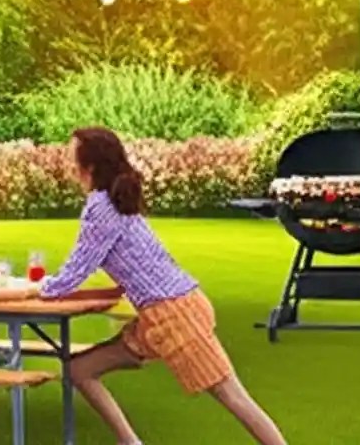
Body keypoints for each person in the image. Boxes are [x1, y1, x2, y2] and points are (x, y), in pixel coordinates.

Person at [16, 127, 286, 445]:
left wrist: (32, 289)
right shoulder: (112, 200)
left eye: (70, 151)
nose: (64, 156)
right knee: (79, 370)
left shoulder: (101, 208)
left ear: (88, 164)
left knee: (233, 396)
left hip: (175, 314)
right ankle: (130, 442)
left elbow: (75, 272)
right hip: (159, 316)